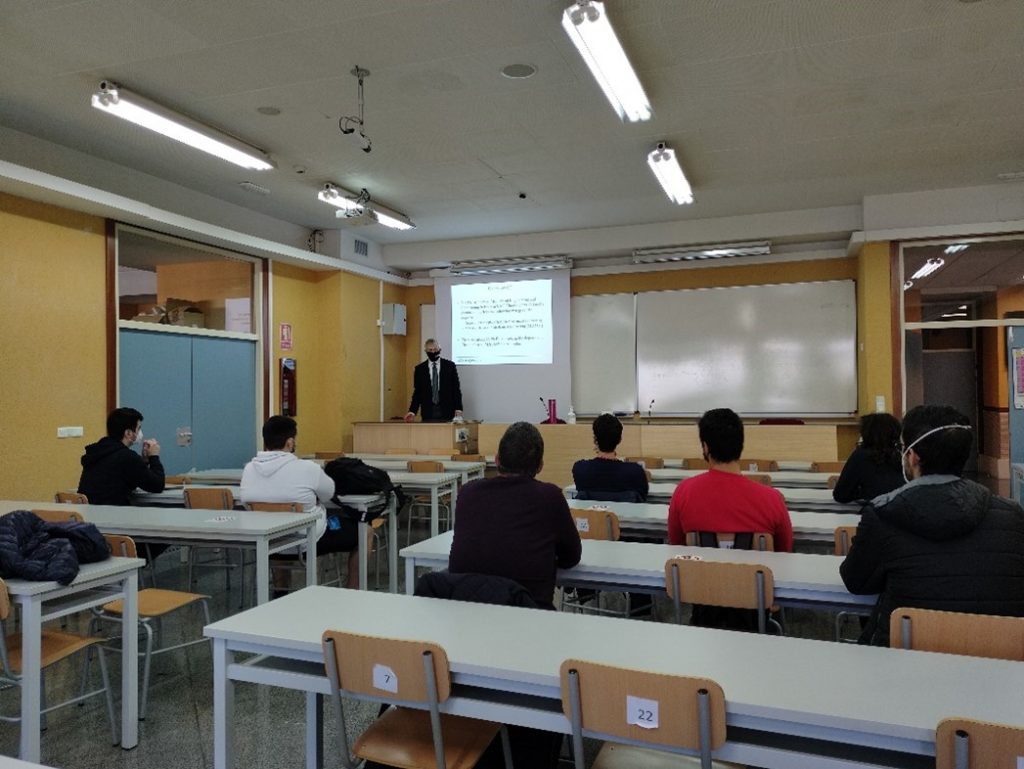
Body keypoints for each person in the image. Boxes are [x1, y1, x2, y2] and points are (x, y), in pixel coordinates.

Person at [840, 404, 1024, 645]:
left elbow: (856, 582)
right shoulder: (1013, 515)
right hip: (999, 660)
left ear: (913, 456)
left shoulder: (882, 515)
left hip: (903, 655)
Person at [449, 421, 581, 609]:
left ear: (496, 460)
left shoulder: (468, 492)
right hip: (528, 619)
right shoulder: (550, 497)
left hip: (467, 614)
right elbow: (571, 557)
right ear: (540, 466)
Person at [240, 415, 362, 589]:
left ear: (265, 442)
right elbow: (329, 493)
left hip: (268, 541)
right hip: (308, 541)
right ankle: (353, 591)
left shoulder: (249, 469)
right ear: (290, 443)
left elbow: (246, 502)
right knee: (365, 532)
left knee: (276, 525)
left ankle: (280, 591)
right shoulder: (307, 468)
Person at [667, 407, 793, 552]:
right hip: (755, 575)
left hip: (698, 574)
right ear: (741, 445)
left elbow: (676, 547)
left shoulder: (683, 492)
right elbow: (784, 552)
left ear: (706, 447)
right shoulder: (772, 499)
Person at [78, 407, 165, 505]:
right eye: (138, 428)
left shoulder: (99, 451)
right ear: (128, 433)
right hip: (112, 516)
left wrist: (144, 461)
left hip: (89, 514)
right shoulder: (126, 457)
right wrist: (154, 457)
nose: (140, 433)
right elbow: (157, 485)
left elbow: (125, 477)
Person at [571, 413, 648, 501]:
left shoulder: (580, 469)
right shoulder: (635, 471)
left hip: (592, 515)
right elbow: (643, 499)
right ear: (619, 439)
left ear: (595, 439)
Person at [832, 413, 904, 503]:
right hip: (905, 512)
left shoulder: (861, 456)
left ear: (867, 433)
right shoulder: (903, 455)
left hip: (876, 512)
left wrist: (863, 493)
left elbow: (840, 495)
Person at [404, 338, 463, 422]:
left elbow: (456, 389)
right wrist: (412, 411)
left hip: (447, 410)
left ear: (440, 349)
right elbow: (418, 392)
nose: (433, 352)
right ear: (426, 351)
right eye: (430, 350)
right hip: (428, 411)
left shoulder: (450, 366)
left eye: (435, 349)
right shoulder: (420, 369)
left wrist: (458, 408)